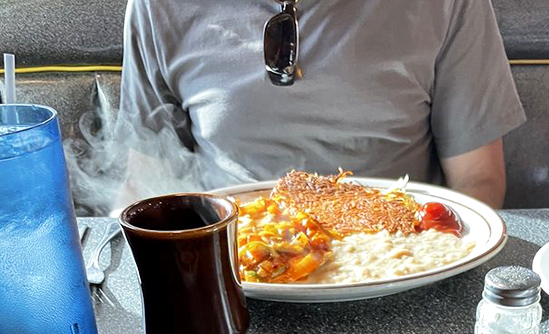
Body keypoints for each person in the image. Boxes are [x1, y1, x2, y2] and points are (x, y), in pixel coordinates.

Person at [116, 0, 525, 209]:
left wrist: (431, 260)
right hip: (227, 277)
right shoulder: (158, 6)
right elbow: (145, 178)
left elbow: (478, 178)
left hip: (401, 268)